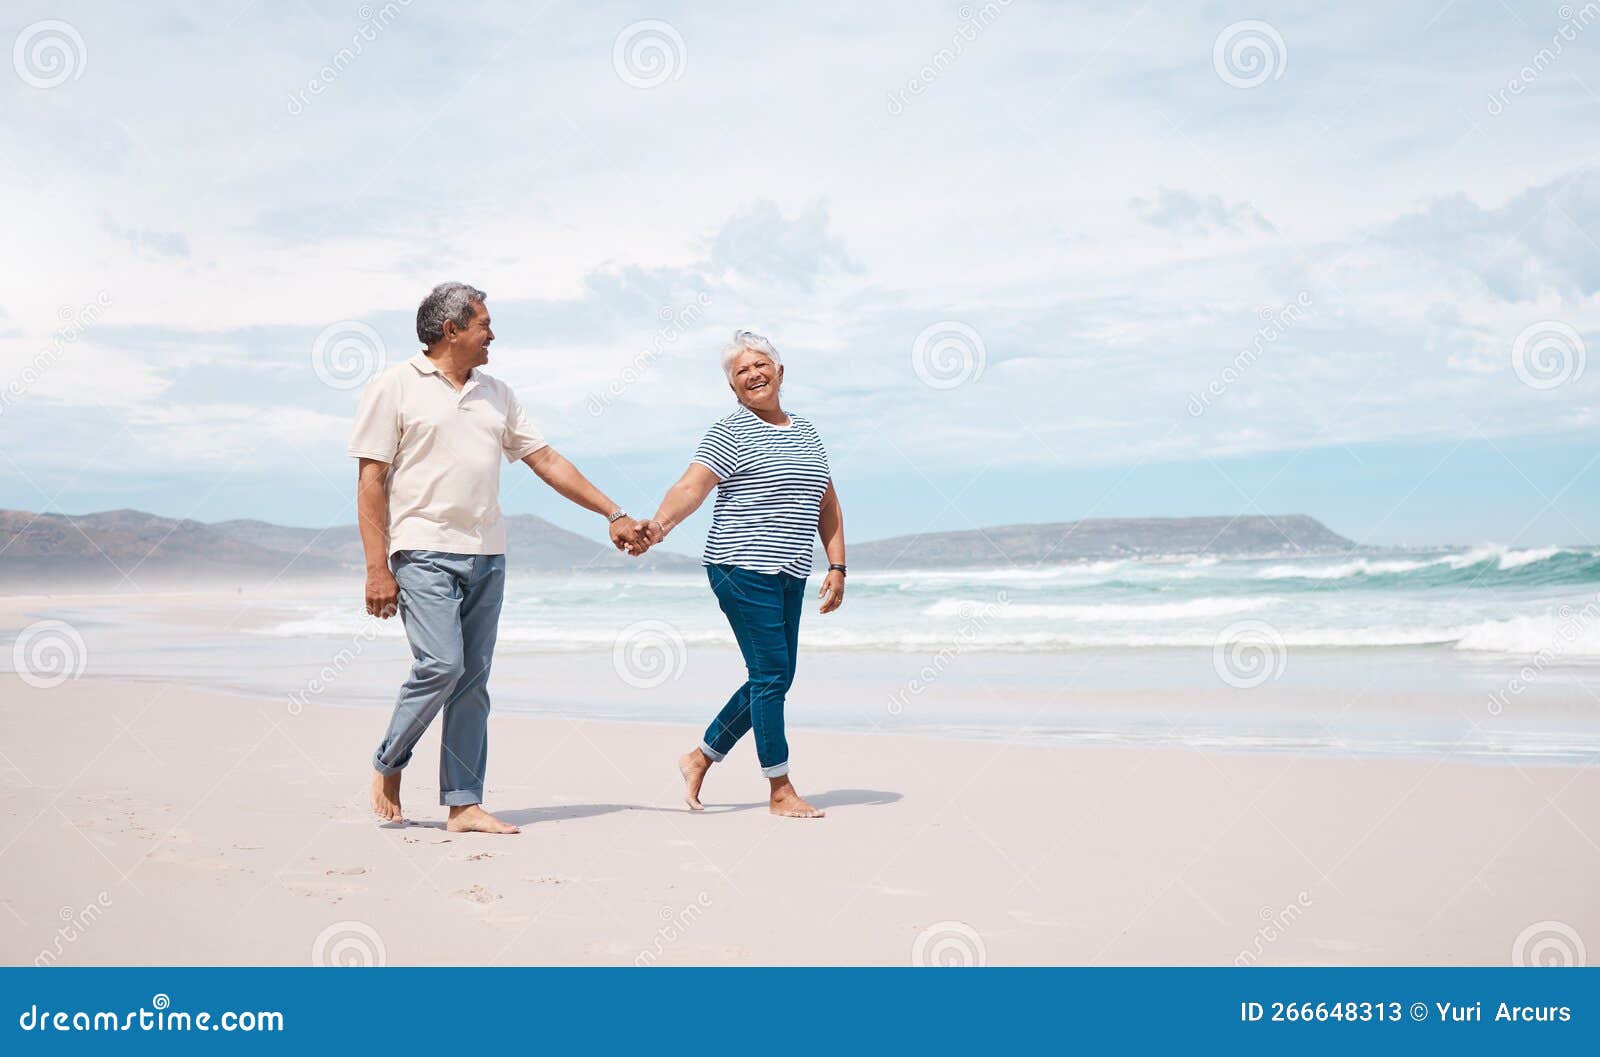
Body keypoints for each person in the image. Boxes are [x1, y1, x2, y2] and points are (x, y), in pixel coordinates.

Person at [349, 282, 648, 834]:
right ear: (451, 330)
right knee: (442, 664)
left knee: (472, 683)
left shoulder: (497, 393)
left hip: (487, 554)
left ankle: (463, 803)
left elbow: (547, 460)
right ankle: (389, 761)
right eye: (484, 324)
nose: (492, 335)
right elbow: (371, 480)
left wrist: (613, 513)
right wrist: (376, 567)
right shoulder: (394, 385)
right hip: (421, 550)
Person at [638, 330, 847, 819]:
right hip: (739, 566)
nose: (753, 374)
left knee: (773, 676)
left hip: (790, 571)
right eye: (741, 371)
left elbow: (827, 501)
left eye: (761, 365)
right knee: (771, 675)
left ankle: (698, 758)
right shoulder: (729, 432)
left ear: (779, 371)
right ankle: (780, 789)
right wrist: (658, 527)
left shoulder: (807, 431)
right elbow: (692, 486)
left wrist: (836, 564)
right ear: (733, 388)